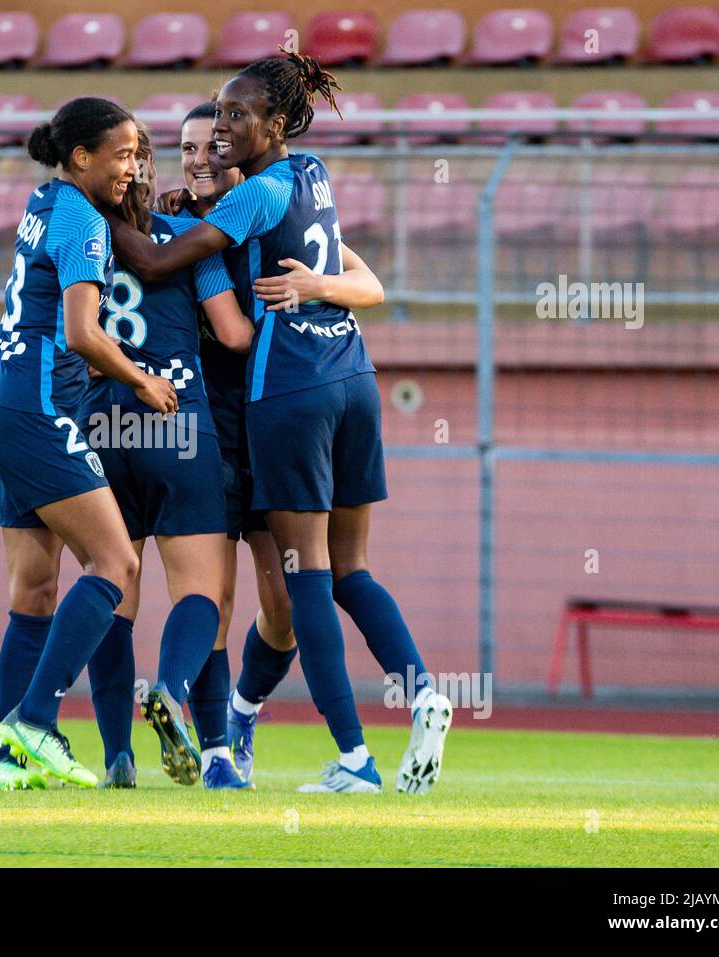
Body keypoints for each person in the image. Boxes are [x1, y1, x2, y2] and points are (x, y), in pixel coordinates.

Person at [104, 54, 453, 794]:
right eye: (202, 134)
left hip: (283, 399)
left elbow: (186, 272)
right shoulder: (310, 176)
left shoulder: (254, 199)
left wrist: (92, 211)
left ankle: (340, 753)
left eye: (231, 121)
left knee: (298, 593)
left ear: (275, 123)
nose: (218, 138)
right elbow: (362, 282)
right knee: (309, 580)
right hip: (341, 381)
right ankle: (408, 695)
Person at [0, 97, 178, 791]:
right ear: (82, 155)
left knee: (33, 590)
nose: (132, 168)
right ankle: (34, 722)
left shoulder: (45, 200)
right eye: (121, 155)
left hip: (1, 405)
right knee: (116, 563)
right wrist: (143, 378)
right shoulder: (85, 219)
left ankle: (3, 762)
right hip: (36, 409)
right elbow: (86, 333)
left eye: (136, 154)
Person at [79, 125, 255, 789]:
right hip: (176, 421)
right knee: (202, 593)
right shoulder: (184, 239)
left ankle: (117, 756)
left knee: (111, 594)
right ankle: (175, 693)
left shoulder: (85, 238)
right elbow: (235, 334)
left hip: (103, 422)